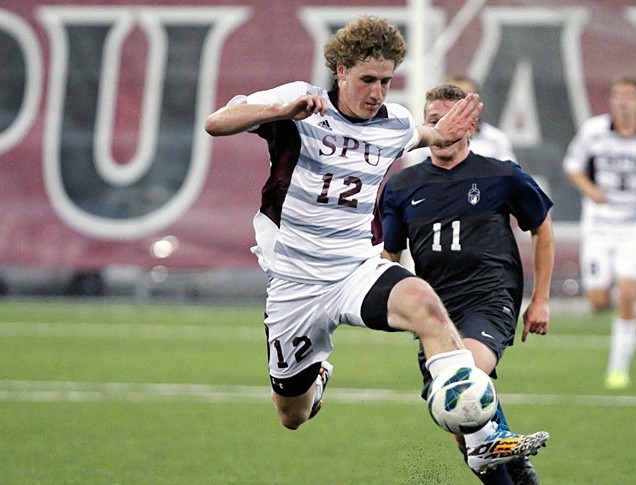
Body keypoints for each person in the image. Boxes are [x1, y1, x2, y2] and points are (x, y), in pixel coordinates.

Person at [203, 16, 488, 437]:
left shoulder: (394, 122)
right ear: (340, 70)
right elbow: (216, 122)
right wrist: (280, 111)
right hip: (295, 282)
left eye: (387, 82)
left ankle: (482, 433)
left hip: (355, 269)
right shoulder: (301, 100)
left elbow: (418, 135)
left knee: (426, 304)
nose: (377, 93)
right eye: (367, 79)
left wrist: (439, 134)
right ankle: (315, 379)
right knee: (292, 415)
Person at [382, 83, 553, 484]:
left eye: (451, 120)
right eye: (433, 121)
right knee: (462, 424)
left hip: (489, 300)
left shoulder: (501, 175)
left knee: (464, 384)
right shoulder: (400, 186)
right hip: (433, 314)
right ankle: (514, 463)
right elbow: (389, 256)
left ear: (471, 126)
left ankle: (505, 446)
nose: (441, 128)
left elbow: (541, 227)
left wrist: (540, 299)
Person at [562, 76, 636, 390]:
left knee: (627, 293)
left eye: (628, 96)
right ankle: (615, 309)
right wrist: (590, 189)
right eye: (617, 95)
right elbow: (573, 166)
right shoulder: (594, 131)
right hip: (600, 224)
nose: (622, 102)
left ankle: (618, 370)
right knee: (597, 301)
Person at [405, 73, 517, 166]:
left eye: (464, 99)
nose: (457, 105)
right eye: (450, 96)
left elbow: (510, 183)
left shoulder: (496, 139)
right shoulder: (424, 140)